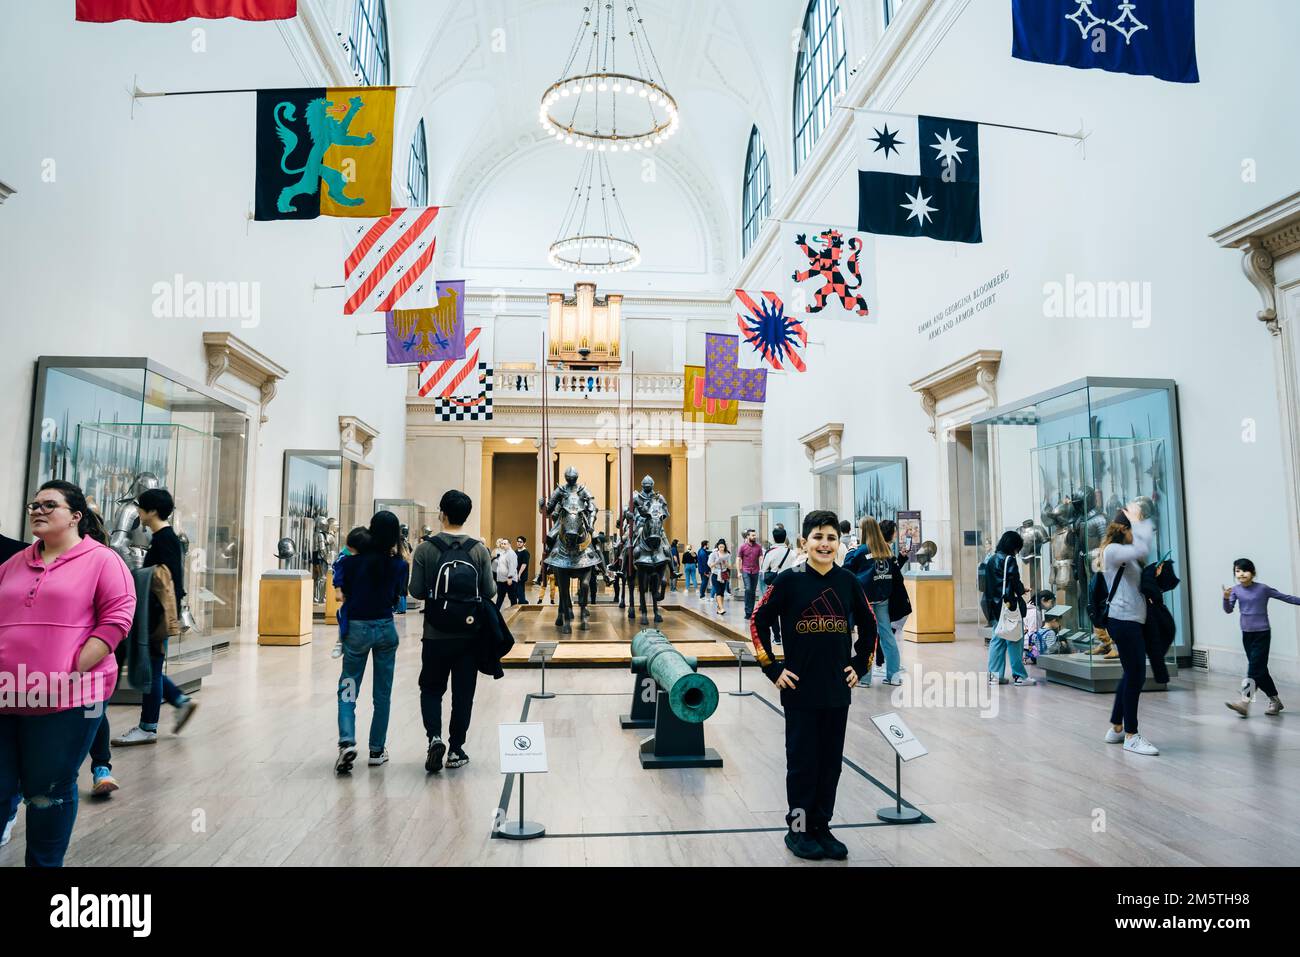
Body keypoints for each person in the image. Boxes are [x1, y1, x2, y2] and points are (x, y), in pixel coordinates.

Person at [0, 480, 135, 866]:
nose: (37, 511)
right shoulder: (14, 563)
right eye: (34, 505)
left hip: (70, 698)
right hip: (8, 692)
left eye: (49, 505)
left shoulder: (102, 560)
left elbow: (116, 621)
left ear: (76, 516)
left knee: (48, 789)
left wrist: (69, 669)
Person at [751, 510, 874, 862]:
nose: (825, 544)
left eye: (831, 538)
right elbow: (758, 620)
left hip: (837, 691)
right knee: (803, 762)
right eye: (818, 537)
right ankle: (799, 829)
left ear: (839, 543)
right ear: (805, 542)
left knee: (830, 763)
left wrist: (859, 665)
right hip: (800, 691)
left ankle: (822, 826)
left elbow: (869, 627)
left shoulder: (848, 581)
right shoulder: (790, 581)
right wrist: (773, 669)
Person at [409, 490, 495, 773]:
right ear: (466, 515)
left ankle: (434, 738)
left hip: (435, 633)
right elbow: (490, 591)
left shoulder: (425, 549)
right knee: (463, 693)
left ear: (442, 513)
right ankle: (456, 749)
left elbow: (417, 591)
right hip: (469, 635)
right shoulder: (478, 549)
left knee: (431, 688)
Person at [112, 488, 199, 746]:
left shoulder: (164, 540)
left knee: (150, 668)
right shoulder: (165, 538)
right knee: (150, 666)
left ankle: (148, 726)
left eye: (141, 508)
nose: (138, 512)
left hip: (154, 615)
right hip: (153, 613)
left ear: (151, 511)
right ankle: (180, 702)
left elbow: (167, 581)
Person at [332, 511, 407, 773]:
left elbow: (343, 588)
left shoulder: (352, 563)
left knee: (348, 688)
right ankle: (377, 749)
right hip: (386, 629)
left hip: (358, 632)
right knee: (382, 694)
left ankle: (347, 741)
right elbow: (398, 596)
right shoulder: (399, 565)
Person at [1099, 504, 1158, 755]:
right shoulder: (1112, 551)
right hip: (1123, 620)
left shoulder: (1122, 553)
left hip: (1132, 619)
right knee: (1136, 676)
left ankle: (1116, 727)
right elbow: (1142, 547)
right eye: (1132, 528)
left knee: (1130, 673)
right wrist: (1139, 521)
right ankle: (1131, 735)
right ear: (1123, 529)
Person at [1223, 558, 1295, 717]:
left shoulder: (1262, 589)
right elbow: (1228, 610)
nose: (1241, 574)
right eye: (1237, 571)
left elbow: (1286, 597)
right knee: (1260, 670)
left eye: (1244, 570)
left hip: (1262, 633)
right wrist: (1226, 598)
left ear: (1253, 573)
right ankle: (1275, 701)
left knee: (1254, 668)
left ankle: (1244, 702)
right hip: (1247, 634)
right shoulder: (1235, 590)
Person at [846, 517, 907, 686]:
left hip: (866, 600)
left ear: (864, 530)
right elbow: (896, 572)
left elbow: (847, 569)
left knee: (866, 636)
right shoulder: (886, 550)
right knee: (887, 635)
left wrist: (850, 551)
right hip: (883, 598)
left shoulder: (861, 550)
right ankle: (894, 674)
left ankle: (864, 678)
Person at [985, 530, 1034, 687]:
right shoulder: (1009, 560)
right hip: (1008, 606)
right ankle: (1019, 676)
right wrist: (1022, 590)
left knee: (997, 639)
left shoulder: (991, 560)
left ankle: (994, 676)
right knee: (1015, 639)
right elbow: (1014, 581)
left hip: (994, 605)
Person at [331, 527, 369, 660]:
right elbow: (337, 571)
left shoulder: (369, 558)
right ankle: (340, 640)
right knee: (344, 615)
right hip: (350, 595)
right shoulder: (344, 557)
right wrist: (338, 589)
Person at [759, 526, 800, 645]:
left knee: (774, 612)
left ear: (774, 538)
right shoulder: (792, 553)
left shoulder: (770, 553)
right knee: (788, 611)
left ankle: (777, 637)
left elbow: (763, 569)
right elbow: (799, 569)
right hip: (790, 586)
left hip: (775, 585)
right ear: (785, 537)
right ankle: (789, 635)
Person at [738, 528, 764, 620]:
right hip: (746, 571)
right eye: (752, 535)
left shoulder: (758, 547)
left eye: (755, 535)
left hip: (756, 571)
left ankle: (751, 611)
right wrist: (738, 571)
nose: (754, 536)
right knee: (748, 589)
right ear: (748, 536)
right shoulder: (742, 547)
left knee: (752, 591)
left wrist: (762, 569)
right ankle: (747, 611)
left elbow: (761, 558)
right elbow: (739, 559)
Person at [492, 538, 518, 610]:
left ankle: (514, 612)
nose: (503, 545)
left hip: (509, 580)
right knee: (500, 598)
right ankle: (496, 613)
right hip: (501, 580)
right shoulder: (503, 553)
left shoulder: (511, 553)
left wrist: (510, 577)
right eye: (502, 543)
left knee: (512, 598)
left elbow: (512, 566)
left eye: (504, 544)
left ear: (509, 545)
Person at [709, 539, 732, 615]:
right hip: (715, 574)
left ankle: (719, 608)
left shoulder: (727, 555)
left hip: (724, 574)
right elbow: (710, 565)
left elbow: (730, 567)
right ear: (718, 547)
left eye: (723, 547)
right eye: (720, 547)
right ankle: (722, 608)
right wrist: (717, 562)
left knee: (722, 592)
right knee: (718, 591)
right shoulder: (713, 554)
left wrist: (725, 564)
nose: (721, 548)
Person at [514, 536, 530, 605]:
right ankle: (524, 602)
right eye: (518, 541)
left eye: (521, 542)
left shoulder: (525, 552)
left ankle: (522, 602)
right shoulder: (516, 551)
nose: (519, 543)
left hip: (521, 574)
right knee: (518, 590)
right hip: (515, 573)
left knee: (519, 590)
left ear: (524, 543)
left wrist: (519, 574)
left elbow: (524, 564)